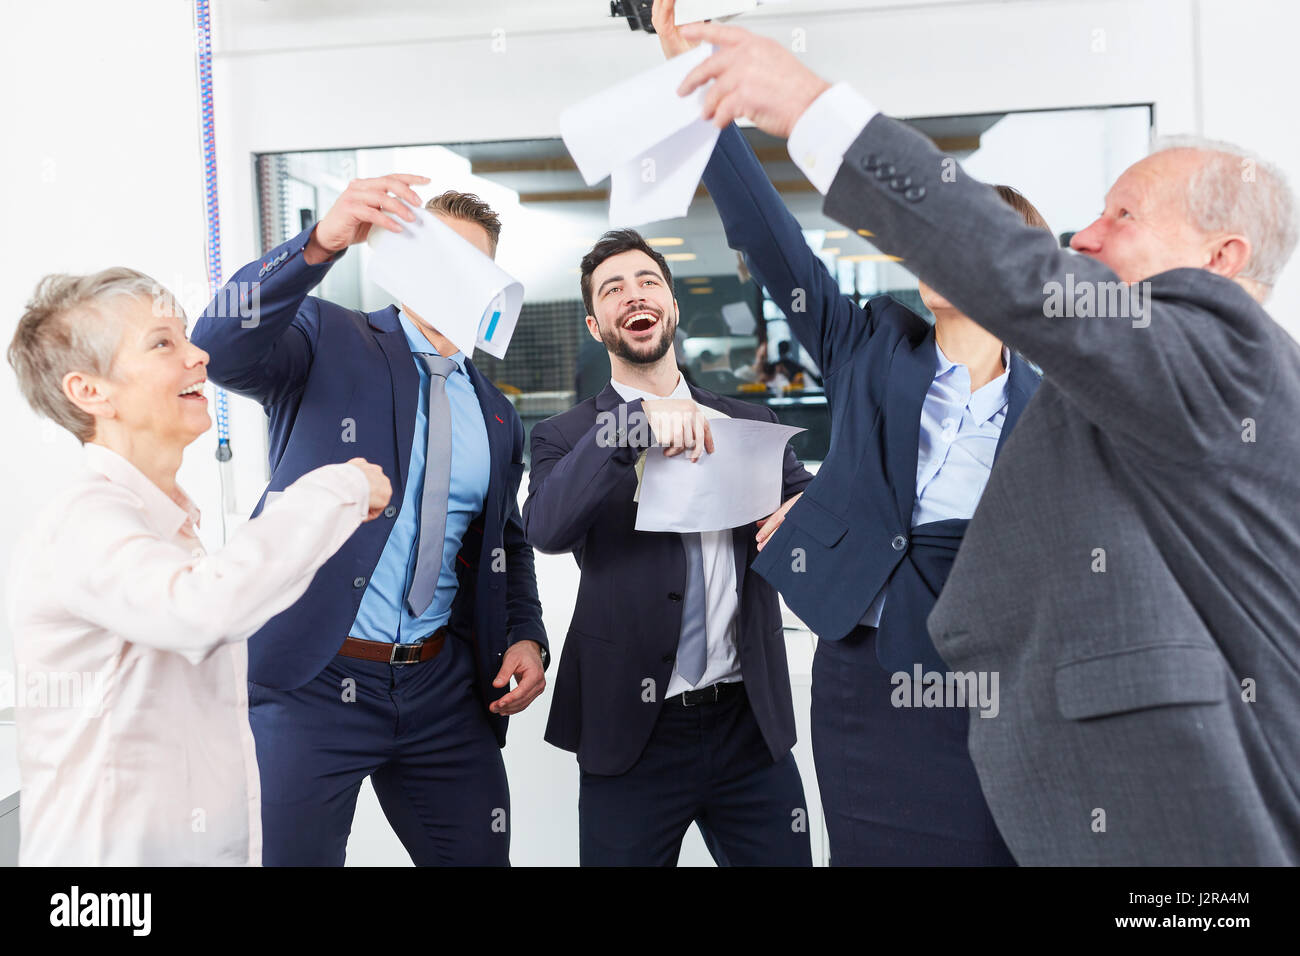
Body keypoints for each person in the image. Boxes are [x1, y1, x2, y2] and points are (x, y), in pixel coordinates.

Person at [674, 17, 1300, 864]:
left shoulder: (1167, 369)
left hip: (1042, 699)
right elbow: (770, 243)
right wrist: (823, 504)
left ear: (1223, 257)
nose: (1086, 236)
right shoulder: (877, 350)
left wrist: (811, 107)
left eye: (1123, 214)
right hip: (879, 665)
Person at [653, 0, 1045, 866]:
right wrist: (701, 90)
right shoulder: (871, 345)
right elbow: (770, 238)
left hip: (979, 680)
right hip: (860, 672)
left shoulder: (1058, 407)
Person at [189, 180, 548, 866]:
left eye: (472, 264)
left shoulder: (497, 411)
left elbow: (507, 541)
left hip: (442, 689)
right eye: (437, 255)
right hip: (312, 683)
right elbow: (218, 345)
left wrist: (528, 634)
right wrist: (319, 244)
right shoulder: (330, 336)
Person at [5, 269, 392, 865]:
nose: (197, 356)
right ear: (90, 392)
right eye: (163, 342)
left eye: (186, 336)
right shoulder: (84, 522)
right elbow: (203, 610)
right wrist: (336, 490)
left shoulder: (165, 529)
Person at [523, 228, 814, 866]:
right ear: (596, 323)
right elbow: (545, 528)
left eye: (648, 281)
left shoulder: (750, 424)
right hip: (632, 731)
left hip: (749, 725)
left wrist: (807, 508)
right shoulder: (562, 436)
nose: (634, 296)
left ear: (672, 307)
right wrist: (632, 426)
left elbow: (822, 514)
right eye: (613, 290)